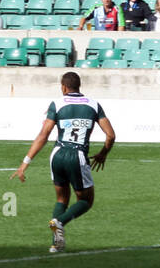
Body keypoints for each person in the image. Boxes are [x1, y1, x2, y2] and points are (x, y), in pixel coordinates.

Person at [11, 72, 116, 254]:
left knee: (61, 199)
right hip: (77, 155)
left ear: (63, 87)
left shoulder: (57, 104)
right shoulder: (93, 104)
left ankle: (56, 243)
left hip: (57, 154)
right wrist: (103, 153)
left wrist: (24, 163)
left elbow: (43, 135)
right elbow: (111, 135)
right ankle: (60, 222)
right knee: (86, 201)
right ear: (79, 86)